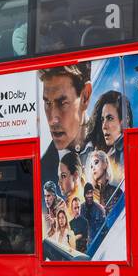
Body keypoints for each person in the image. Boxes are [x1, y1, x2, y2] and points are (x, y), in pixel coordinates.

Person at [39, 63, 93, 193]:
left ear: (85, 97)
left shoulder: (114, 138)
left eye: (62, 103)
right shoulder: (43, 173)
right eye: (48, 103)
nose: (53, 120)